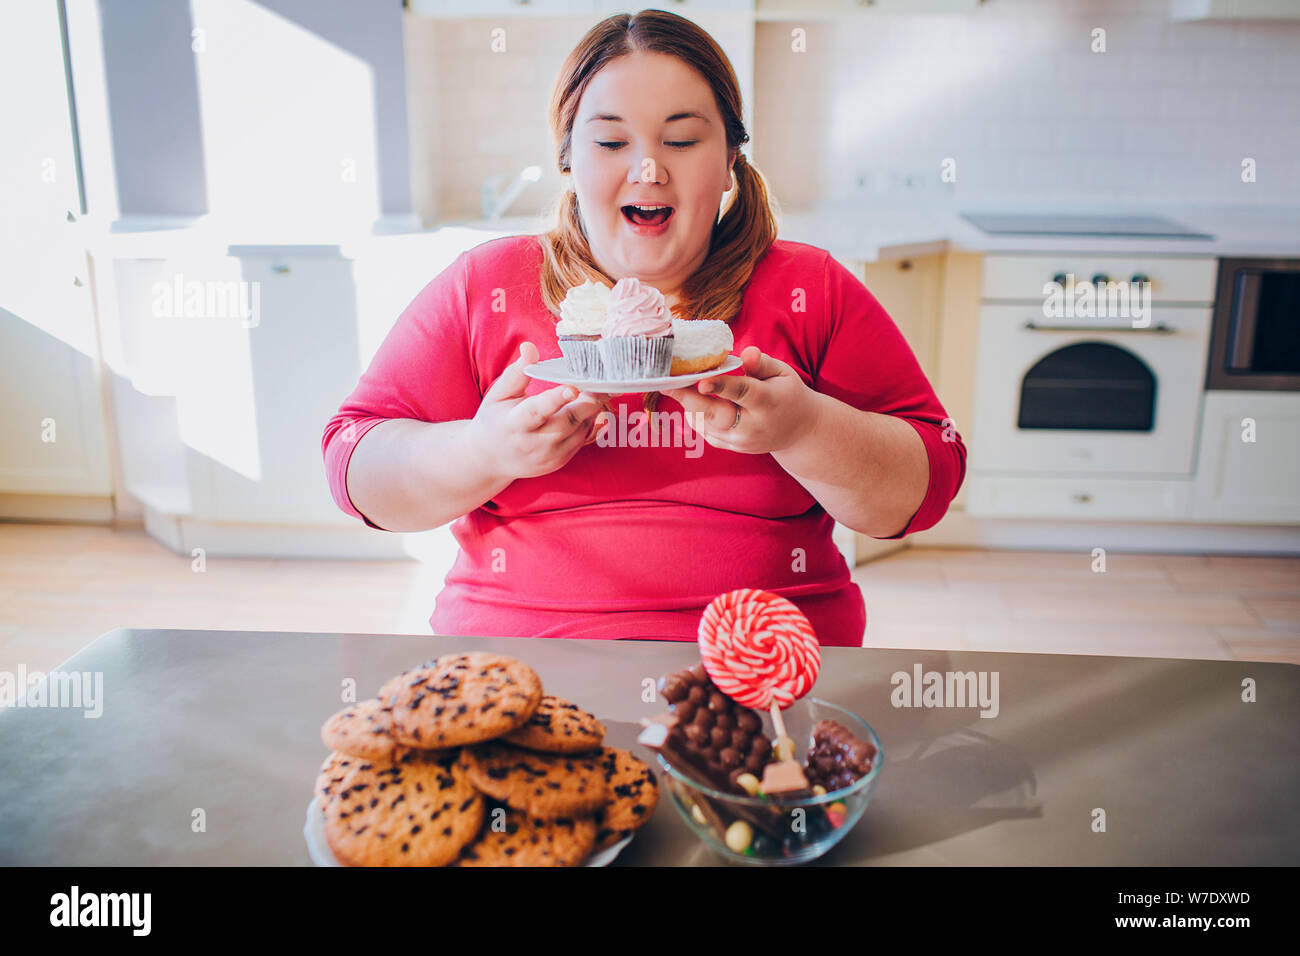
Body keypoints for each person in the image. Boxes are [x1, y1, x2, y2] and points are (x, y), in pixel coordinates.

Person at [321, 10, 966, 647]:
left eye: (681, 141)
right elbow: (354, 473)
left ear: (732, 158)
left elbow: (924, 490)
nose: (649, 170)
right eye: (610, 142)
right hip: (523, 670)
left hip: (761, 685)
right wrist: (482, 452)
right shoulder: (487, 285)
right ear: (569, 159)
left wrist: (805, 429)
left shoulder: (809, 289)